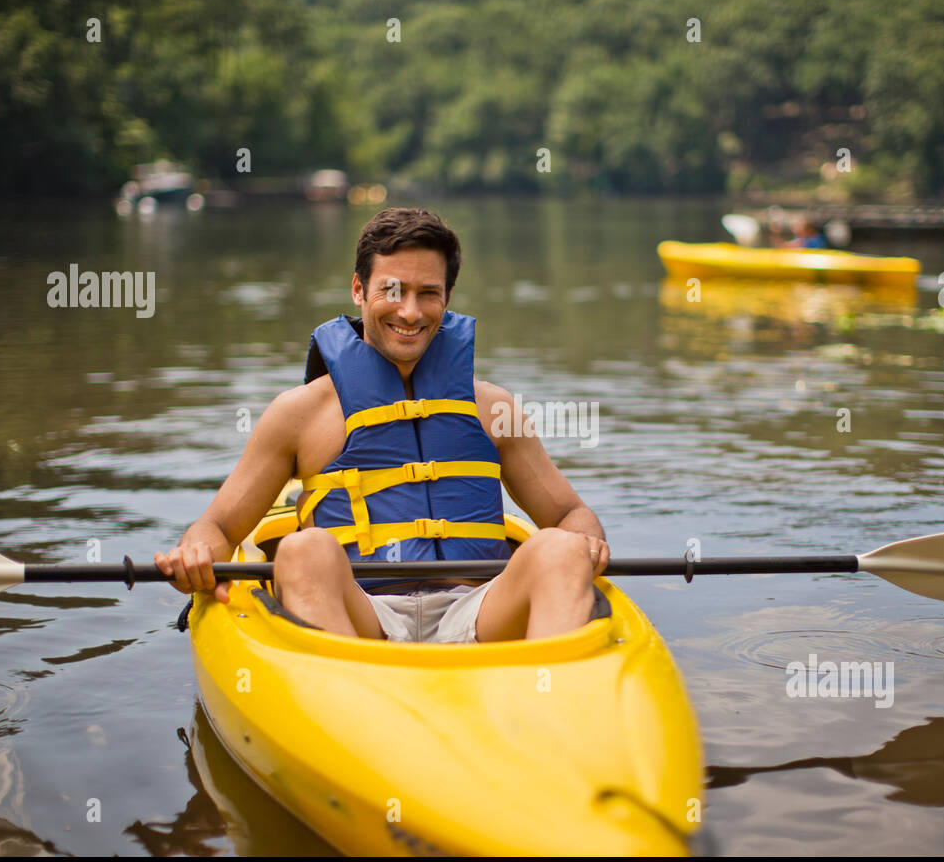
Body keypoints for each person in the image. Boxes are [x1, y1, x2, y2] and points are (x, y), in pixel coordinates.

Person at [154, 208, 609, 643]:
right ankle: (343, 700)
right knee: (302, 549)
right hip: (364, 614)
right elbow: (218, 528)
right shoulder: (299, 414)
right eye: (393, 290)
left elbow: (570, 515)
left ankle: (551, 699)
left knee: (560, 547)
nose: (410, 312)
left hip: (482, 612)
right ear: (358, 289)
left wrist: (584, 543)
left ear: (447, 298)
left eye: (427, 293)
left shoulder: (494, 409)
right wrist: (196, 556)